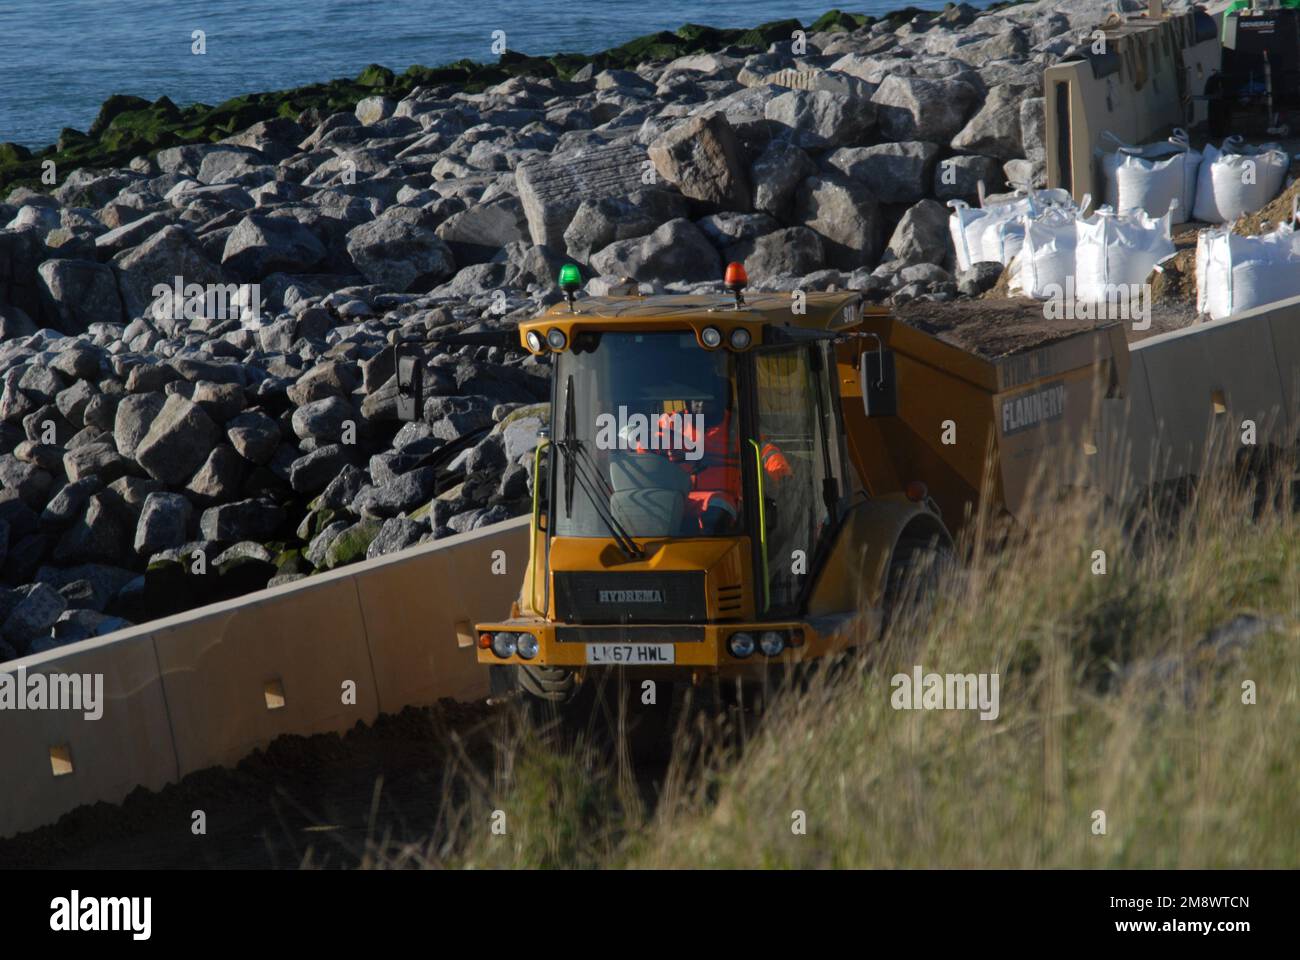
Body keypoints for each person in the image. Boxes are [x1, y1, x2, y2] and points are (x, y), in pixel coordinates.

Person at [631, 377, 792, 535]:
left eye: (706, 399)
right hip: (677, 497)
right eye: (695, 398)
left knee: (717, 512)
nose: (699, 403)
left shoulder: (735, 426)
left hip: (721, 501)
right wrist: (649, 443)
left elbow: (764, 450)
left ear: (718, 401)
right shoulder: (670, 423)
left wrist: (781, 473)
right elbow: (644, 448)